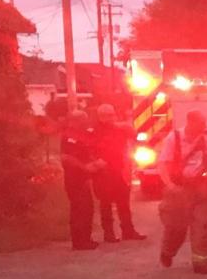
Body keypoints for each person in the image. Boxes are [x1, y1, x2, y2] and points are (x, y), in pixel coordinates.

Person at [157, 110, 207, 275]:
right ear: (191, 122)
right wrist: (169, 185)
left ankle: (201, 264)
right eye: (201, 124)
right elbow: (163, 164)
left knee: (205, 225)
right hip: (178, 189)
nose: (204, 127)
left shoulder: (204, 139)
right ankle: (167, 252)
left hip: (199, 187)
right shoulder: (173, 138)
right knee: (176, 228)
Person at [91, 103, 146, 243]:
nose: (109, 118)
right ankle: (108, 234)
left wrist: (126, 125)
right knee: (106, 204)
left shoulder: (119, 128)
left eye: (111, 115)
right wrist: (97, 162)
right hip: (104, 172)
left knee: (123, 203)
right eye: (106, 115)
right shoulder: (95, 131)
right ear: (100, 116)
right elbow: (90, 150)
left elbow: (134, 135)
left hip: (119, 170)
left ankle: (128, 231)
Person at [59, 110, 104, 251]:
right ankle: (79, 242)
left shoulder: (82, 135)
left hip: (83, 178)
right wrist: (85, 167)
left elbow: (86, 154)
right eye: (83, 120)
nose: (86, 123)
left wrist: (95, 163)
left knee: (87, 209)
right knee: (79, 210)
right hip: (74, 179)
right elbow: (68, 158)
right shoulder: (68, 137)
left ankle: (85, 239)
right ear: (75, 121)